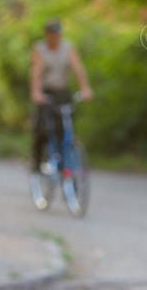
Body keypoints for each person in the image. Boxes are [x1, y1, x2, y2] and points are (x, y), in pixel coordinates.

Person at [29, 19, 93, 192]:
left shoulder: (67, 47)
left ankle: (68, 170)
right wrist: (36, 92)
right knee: (43, 129)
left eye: (58, 34)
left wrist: (85, 88)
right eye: (53, 34)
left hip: (63, 93)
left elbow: (78, 69)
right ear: (47, 35)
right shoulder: (40, 49)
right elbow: (36, 72)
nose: (56, 38)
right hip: (46, 94)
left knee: (66, 128)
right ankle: (36, 166)